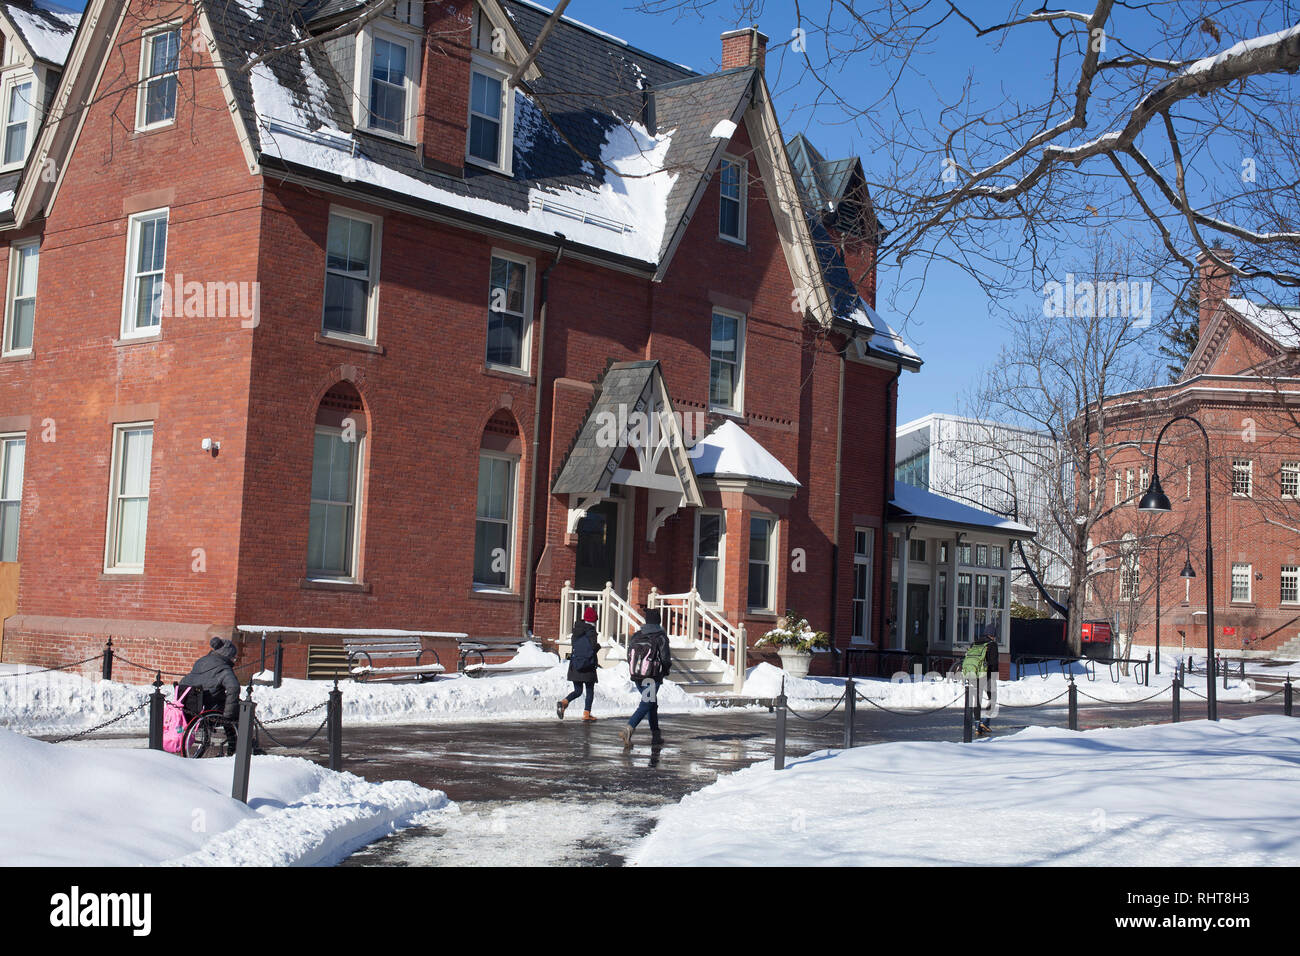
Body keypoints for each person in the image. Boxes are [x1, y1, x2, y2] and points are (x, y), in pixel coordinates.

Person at [620, 607, 671, 749]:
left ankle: (656, 735)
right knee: (647, 703)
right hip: (651, 676)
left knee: (651, 703)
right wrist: (665, 670)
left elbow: (629, 654)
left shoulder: (637, 635)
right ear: (658, 621)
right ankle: (629, 728)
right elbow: (665, 658)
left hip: (637, 675)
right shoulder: (660, 636)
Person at [180, 637, 241, 753]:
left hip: (194, 708)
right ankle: (234, 746)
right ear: (228, 655)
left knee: (228, 705)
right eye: (234, 657)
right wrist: (229, 714)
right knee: (238, 711)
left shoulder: (200, 662)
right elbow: (234, 687)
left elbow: (184, 681)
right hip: (211, 709)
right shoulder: (224, 668)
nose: (234, 659)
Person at [558, 607, 600, 721]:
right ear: (594, 620)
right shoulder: (592, 632)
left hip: (575, 664)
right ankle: (587, 714)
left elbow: (575, 648)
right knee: (589, 690)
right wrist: (598, 647)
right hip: (588, 666)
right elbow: (591, 650)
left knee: (578, 691)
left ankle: (564, 702)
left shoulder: (576, 631)